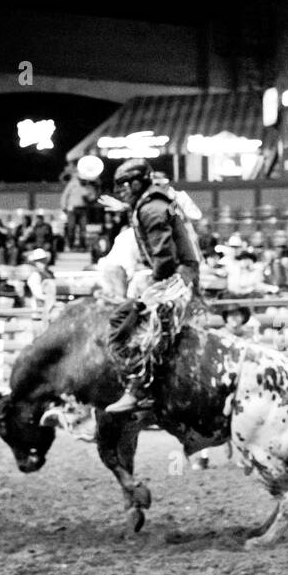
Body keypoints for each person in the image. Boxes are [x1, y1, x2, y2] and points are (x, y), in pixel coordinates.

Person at [103, 158, 202, 414]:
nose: (122, 190)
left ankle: (138, 389)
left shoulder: (151, 210)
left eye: (125, 185)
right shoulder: (157, 203)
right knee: (127, 317)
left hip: (177, 277)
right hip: (183, 272)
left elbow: (164, 256)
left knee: (142, 325)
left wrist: (154, 283)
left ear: (138, 183)